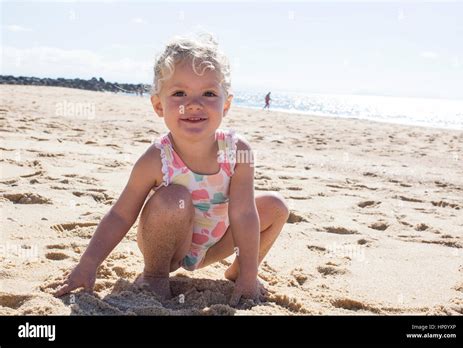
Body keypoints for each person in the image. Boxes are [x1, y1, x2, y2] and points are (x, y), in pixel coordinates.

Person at [54, 33, 289, 306]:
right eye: (179, 93)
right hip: (167, 245)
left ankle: (239, 270)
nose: (193, 103)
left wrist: (250, 274)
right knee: (173, 198)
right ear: (158, 105)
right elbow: (120, 214)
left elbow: (245, 213)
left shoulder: (238, 152)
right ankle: (154, 275)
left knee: (275, 206)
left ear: (226, 104)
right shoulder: (157, 158)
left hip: (214, 245)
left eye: (209, 93)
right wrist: (88, 264)